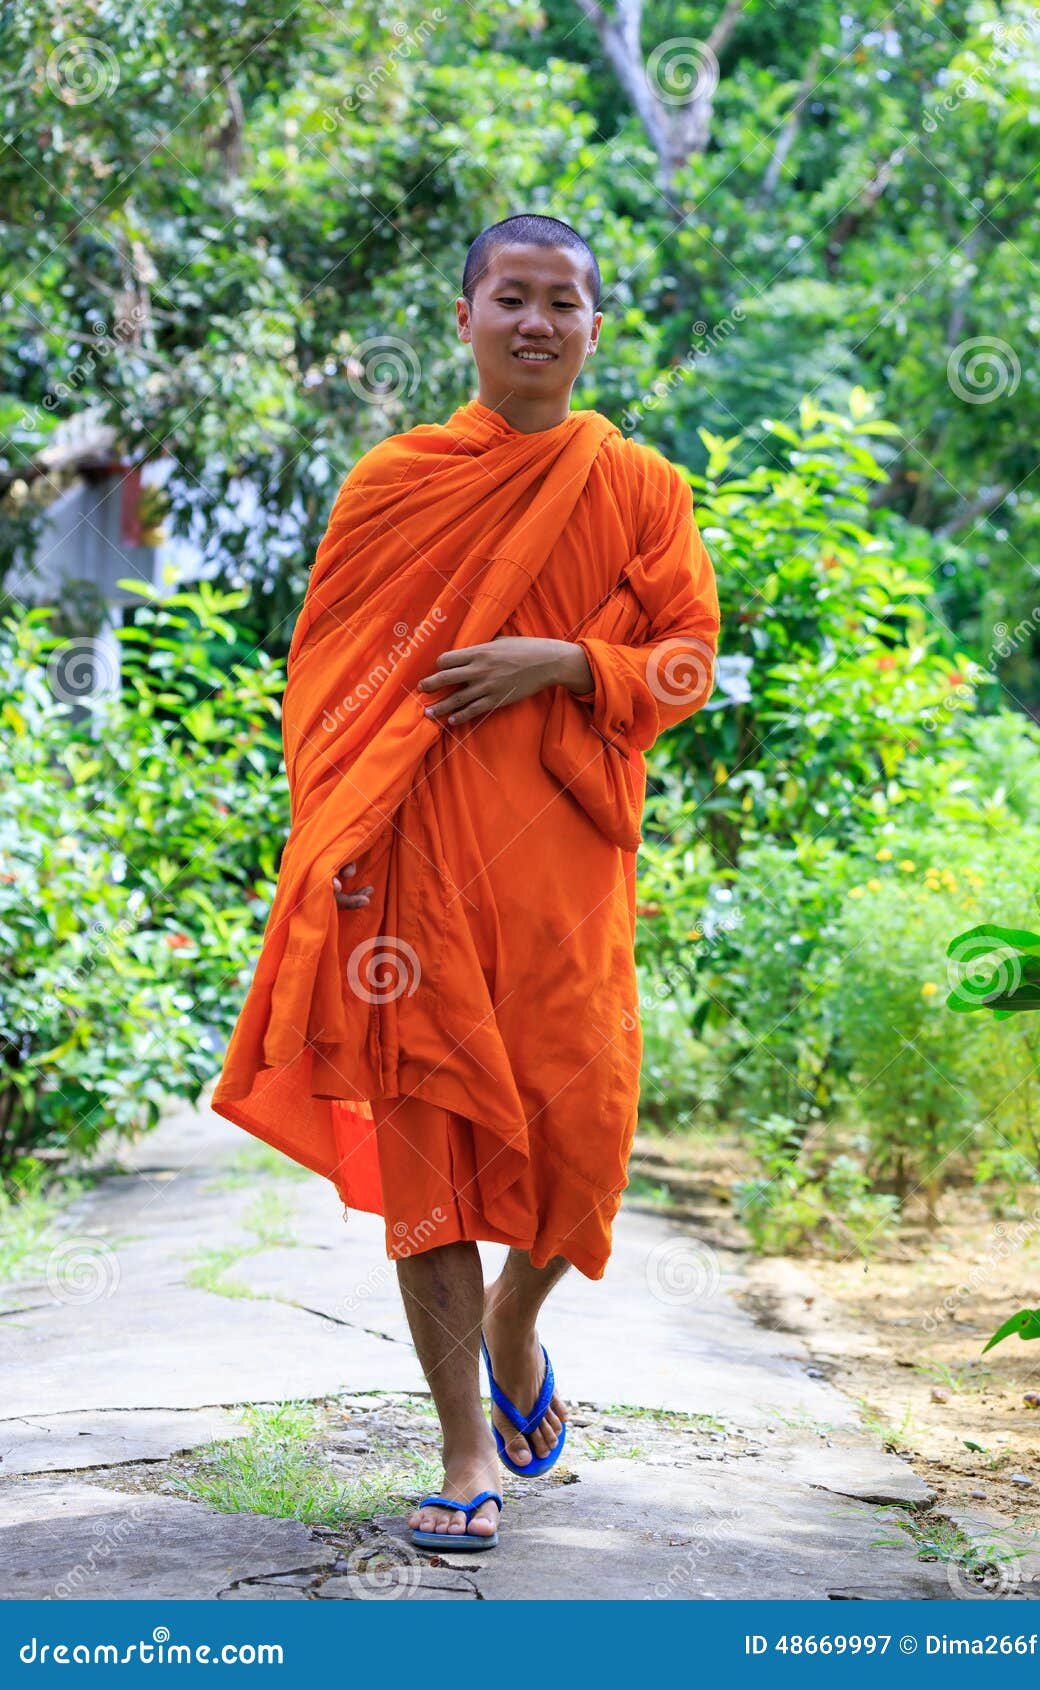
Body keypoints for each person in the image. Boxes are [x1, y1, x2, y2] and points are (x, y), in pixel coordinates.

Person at [211, 212, 721, 1552]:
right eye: (512, 298)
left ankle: (517, 1316)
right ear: (465, 318)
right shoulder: (396, 481)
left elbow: (684, 665)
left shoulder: (637, 487)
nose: (538, 322)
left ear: (595, 327)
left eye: (564, 301)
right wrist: (339, 834)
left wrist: (559, 662)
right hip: (417, 873)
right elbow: (323, 684)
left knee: (587, 1134)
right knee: (433, 1139)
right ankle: (462, 1449)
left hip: (564, 881)